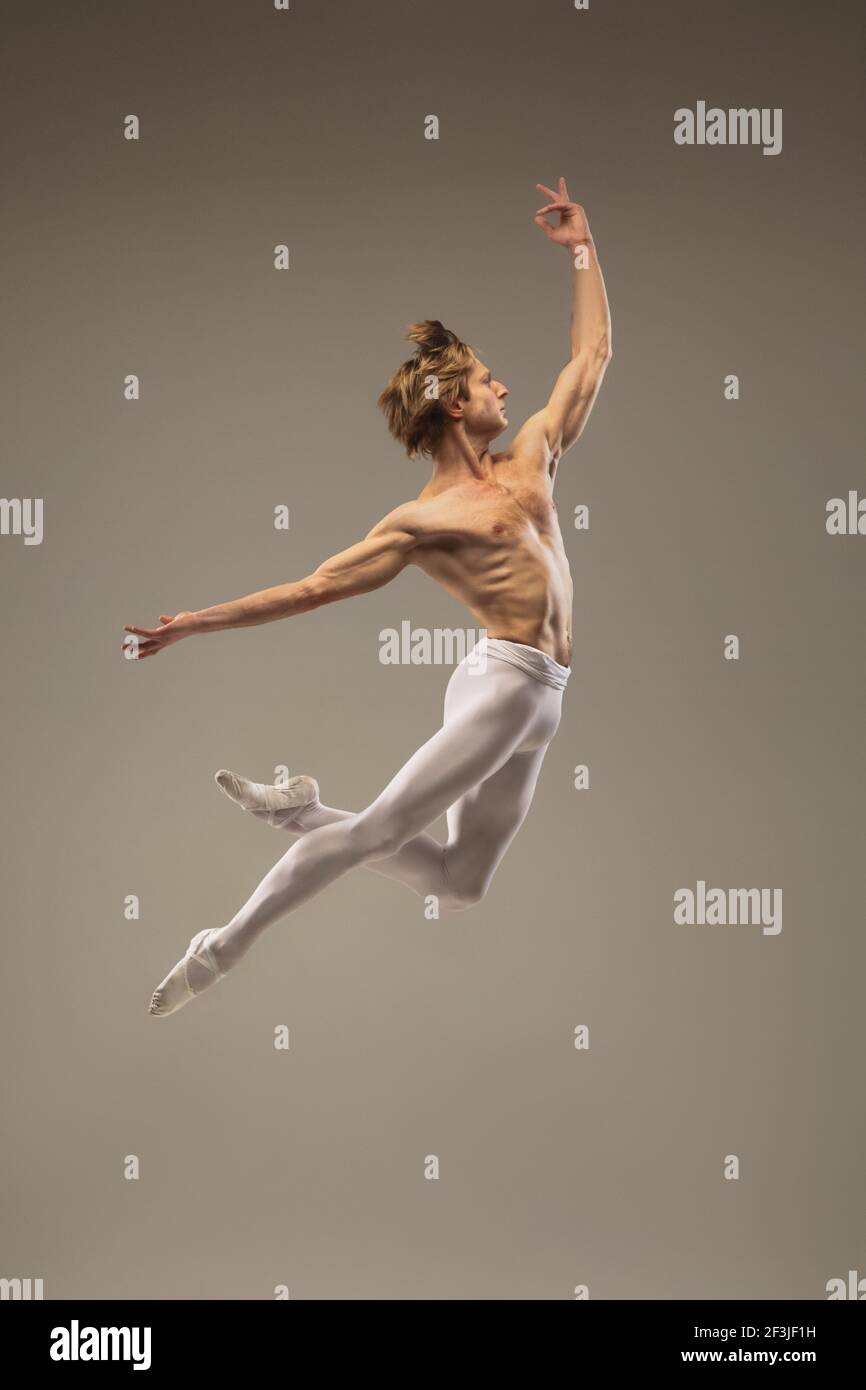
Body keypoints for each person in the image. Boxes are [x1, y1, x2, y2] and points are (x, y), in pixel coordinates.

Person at [123, 177, 612, 1016]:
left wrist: (581, 249)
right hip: (503, 685)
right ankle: (220, 949)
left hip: (545, 699)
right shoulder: (421, 521)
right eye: (488, 381)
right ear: (454, 405)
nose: (505, 389)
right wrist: (197, 622)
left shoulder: (533, 454)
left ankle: (302, 811)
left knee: (462, 885)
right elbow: (315, 588)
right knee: (380, 835)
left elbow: (591, 357)